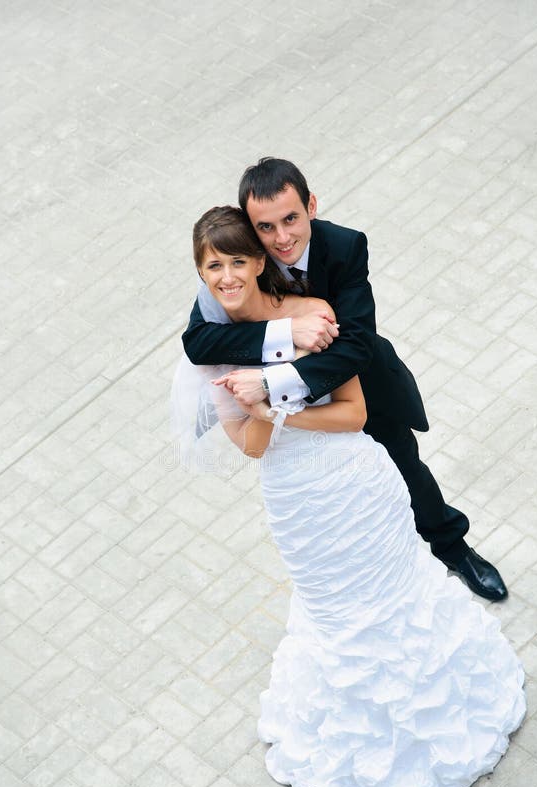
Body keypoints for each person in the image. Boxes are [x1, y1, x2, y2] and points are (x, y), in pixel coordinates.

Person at [173, 204, 525, 787]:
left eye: (237, 261)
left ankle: (456, 551)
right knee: (334, 610)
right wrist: (242, 403)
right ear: (201, 271)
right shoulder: (211, 341)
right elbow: (252, 447)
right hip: (297, 501)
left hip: (355, 474)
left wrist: (274, 397)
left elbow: (353, 406)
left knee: (400, 563)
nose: (226, 275)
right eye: (212, 266)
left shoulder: (320, 297)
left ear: (262, 257)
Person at [182, 157, 508, 603]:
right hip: (297, 432)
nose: (281, 239)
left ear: (311, 205)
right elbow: (198, 343)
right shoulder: (237, 261)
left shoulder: (346, 246)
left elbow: (356, 346)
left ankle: (454, 548)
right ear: (249, 227)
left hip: (363, 388)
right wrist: (286, 332)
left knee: (408, 471)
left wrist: (275, 386)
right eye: (266, 227)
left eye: (291, 219)